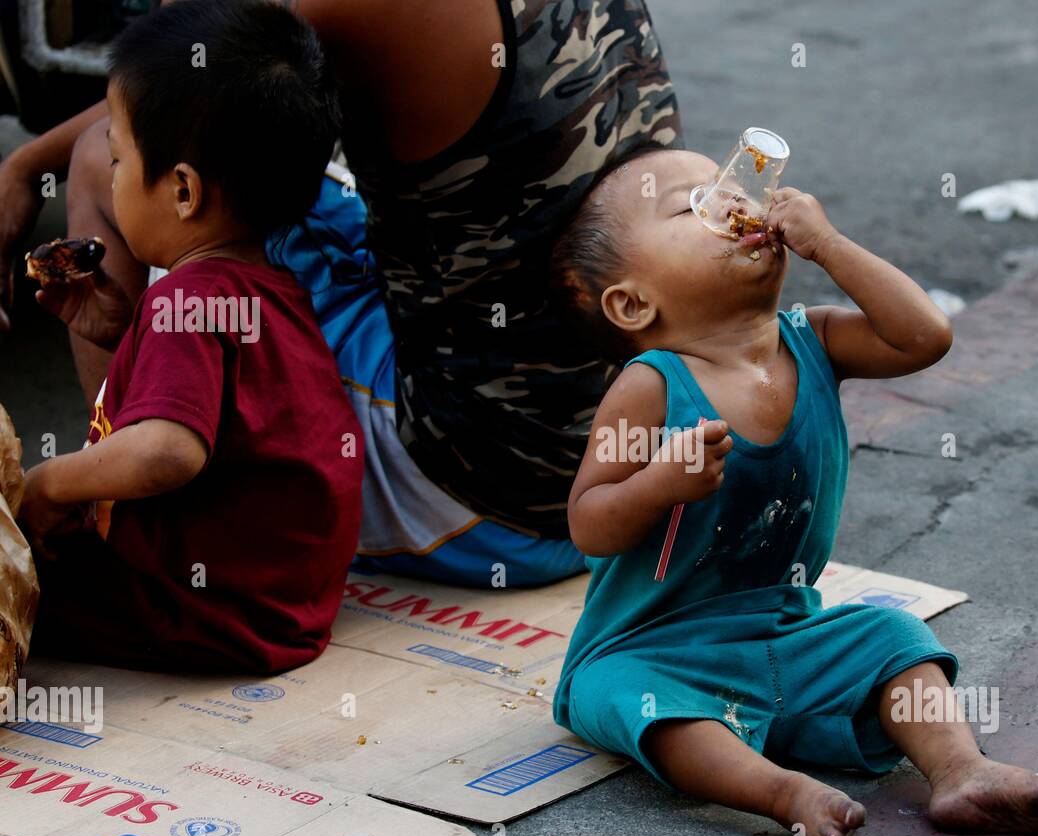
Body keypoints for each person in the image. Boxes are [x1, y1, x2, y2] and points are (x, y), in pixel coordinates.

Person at [0, 0, 683, 588]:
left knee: (103, 159)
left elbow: (172, 71)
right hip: (629, 433)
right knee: (230, 188)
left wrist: (30, 165)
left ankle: (128, 523)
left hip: (501, 495)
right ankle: (147, 399)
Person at [548, 147, 1038, 836]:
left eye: (727, 190)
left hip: (784, 636)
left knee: (893, 635)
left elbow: (925, 336)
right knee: (632, 698)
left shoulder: (816, 340)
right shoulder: (651, 387)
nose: (730, 207)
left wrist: (829, 245)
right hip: (654, 648)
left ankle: (964, 772)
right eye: (691, 207)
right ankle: (784, 794)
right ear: (633, 303)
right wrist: (657, 483)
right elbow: (587, 520)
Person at [17, 0, 362, 673]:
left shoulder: (187, 297)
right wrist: (126, 338)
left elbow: (169, 452)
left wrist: (53, 482)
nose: (109, 179)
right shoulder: (274, 289)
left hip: (198, 611)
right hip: (281, 608)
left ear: (183, 191)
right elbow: (222, 418)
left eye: (116, 160)